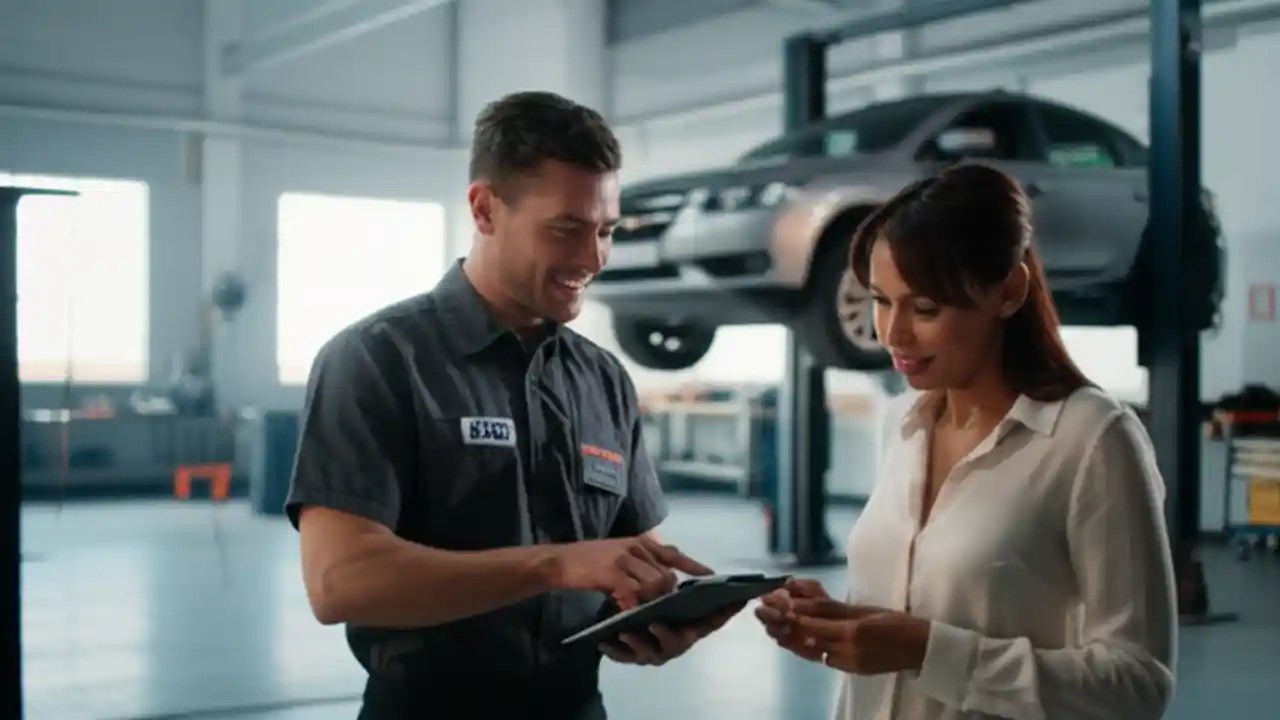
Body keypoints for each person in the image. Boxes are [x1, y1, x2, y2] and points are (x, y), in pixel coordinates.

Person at [286, 90, 739, 719]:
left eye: (606, 231)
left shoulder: (603, 379)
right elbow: (340, 583)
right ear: (484, 209)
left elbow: (624, 563)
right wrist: (555, 565)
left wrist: (650, 618)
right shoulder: (377, 360)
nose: (591, 258)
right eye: (566, 229)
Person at [757, 163, 1178, 720]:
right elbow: (916, 619)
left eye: (925, 308)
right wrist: (845, 623)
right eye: (881, 300)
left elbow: (1137, 684)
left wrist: (926, 650)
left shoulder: (1092, 439)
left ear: (1009, 292)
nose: (893, 334)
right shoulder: (903, 422)